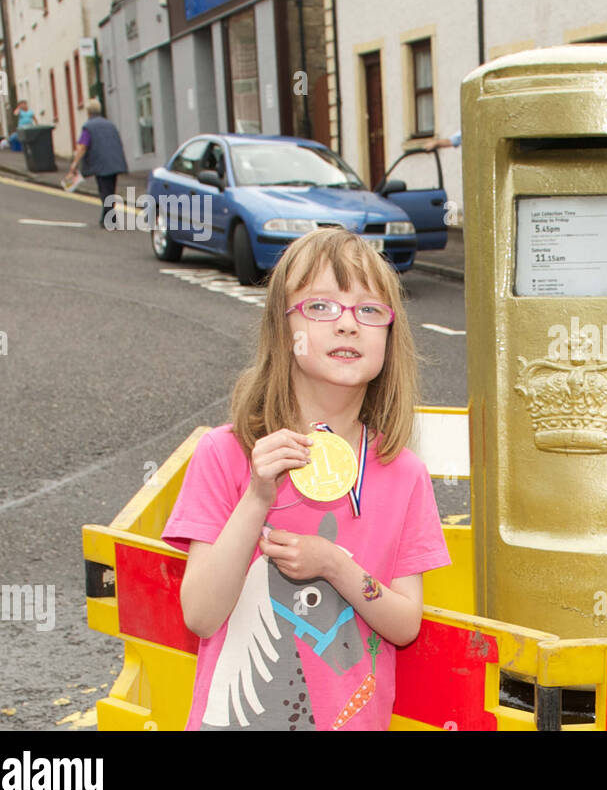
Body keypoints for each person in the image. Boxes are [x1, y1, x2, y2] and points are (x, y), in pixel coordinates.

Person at [161, 228, 451, 730]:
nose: (347, 325)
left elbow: (405, 625)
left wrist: (337, 566)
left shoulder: (404, 473)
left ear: (389, 333)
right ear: (282, 328)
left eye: (368, 310)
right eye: (320, 307)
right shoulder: (227, 453)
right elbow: (202, 616)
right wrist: (257, 496)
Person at [64, 99, 129, 230]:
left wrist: (74, 164)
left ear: (88, 112)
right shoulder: (110, 124)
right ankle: (106, 219)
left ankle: (111, 220)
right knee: (109, 190)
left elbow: (82, 147)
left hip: (101, 163)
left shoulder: (88, 127)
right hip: (115, 161)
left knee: (104, 191)